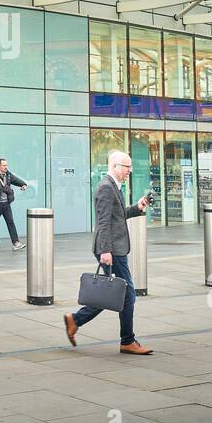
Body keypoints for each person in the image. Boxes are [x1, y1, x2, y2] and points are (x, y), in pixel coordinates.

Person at [62, 150, 152, 355]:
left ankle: (75, 320)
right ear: (115, 167)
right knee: (127, 295)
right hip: (112, 249)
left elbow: (118, 216)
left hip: (116, 248)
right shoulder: (105, 188)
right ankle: (127, 341)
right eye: (127, 167)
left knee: (113, 293)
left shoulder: (115, 187)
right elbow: (103, 222)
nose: (130, 171)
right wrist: (105, 251)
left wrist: (137, 207)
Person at [0, 157, 28, 252]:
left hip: (6, 204)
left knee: (10, 222)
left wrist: (23, 184)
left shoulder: (8, 175)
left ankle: (16, 243)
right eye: (4, 165)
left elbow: (16, 180)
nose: (6, 167)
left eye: (6, 165)